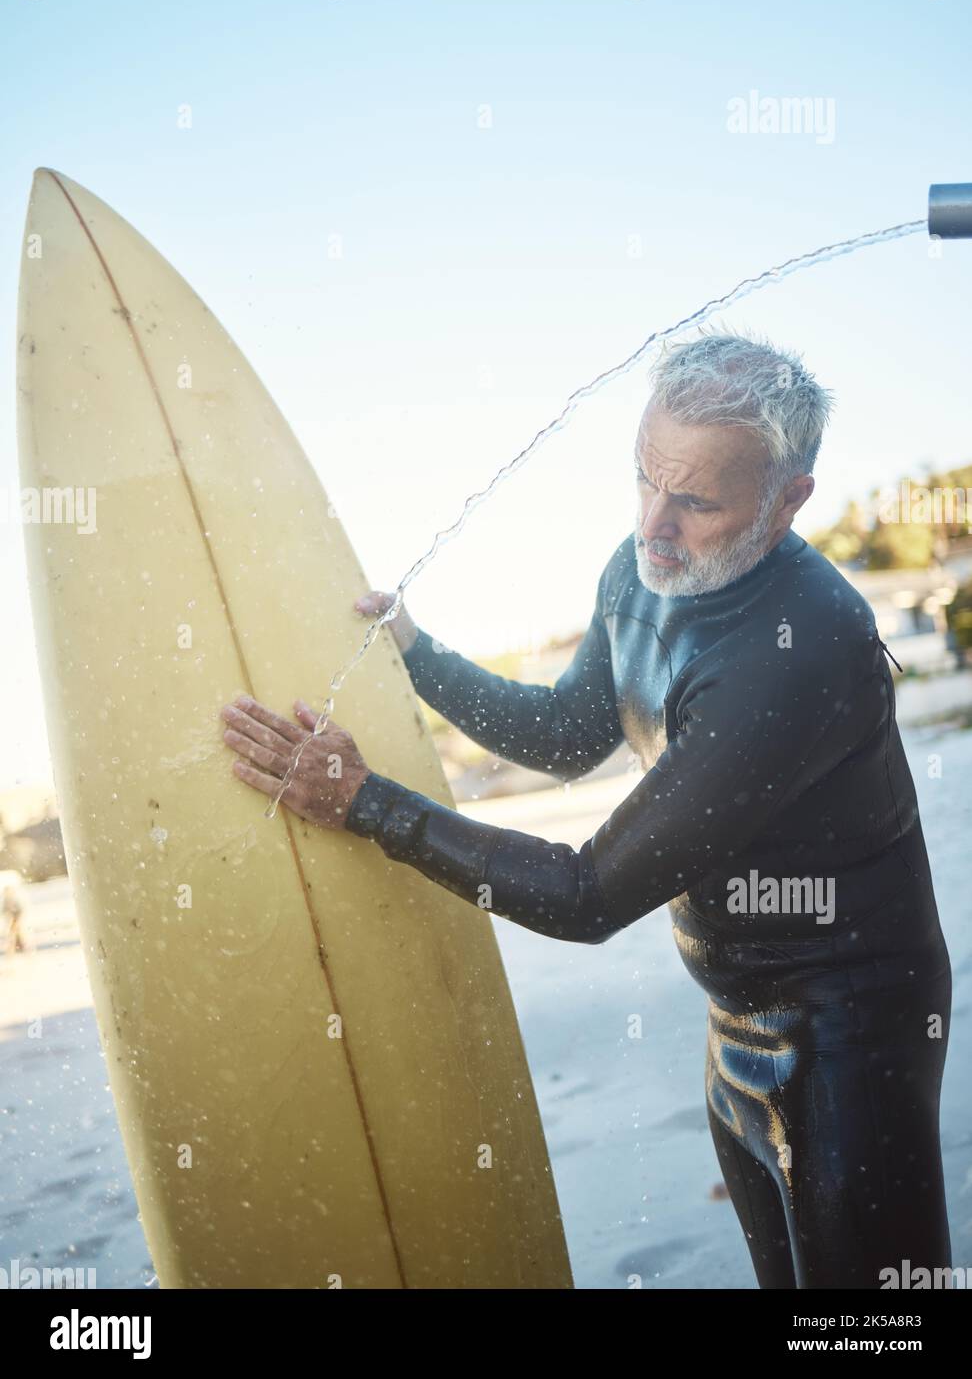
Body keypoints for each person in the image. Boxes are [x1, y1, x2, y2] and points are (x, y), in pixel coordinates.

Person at [221, 331, 952, 1290]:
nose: (654, 524)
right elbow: (570, 733)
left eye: (693, 501)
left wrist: (365, 803)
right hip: (734, 1012)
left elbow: (587, 895)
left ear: (787, 503)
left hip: (853, 1021)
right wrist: (418, 654)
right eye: (645, 479)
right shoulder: (644, 567)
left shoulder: (798, 651)